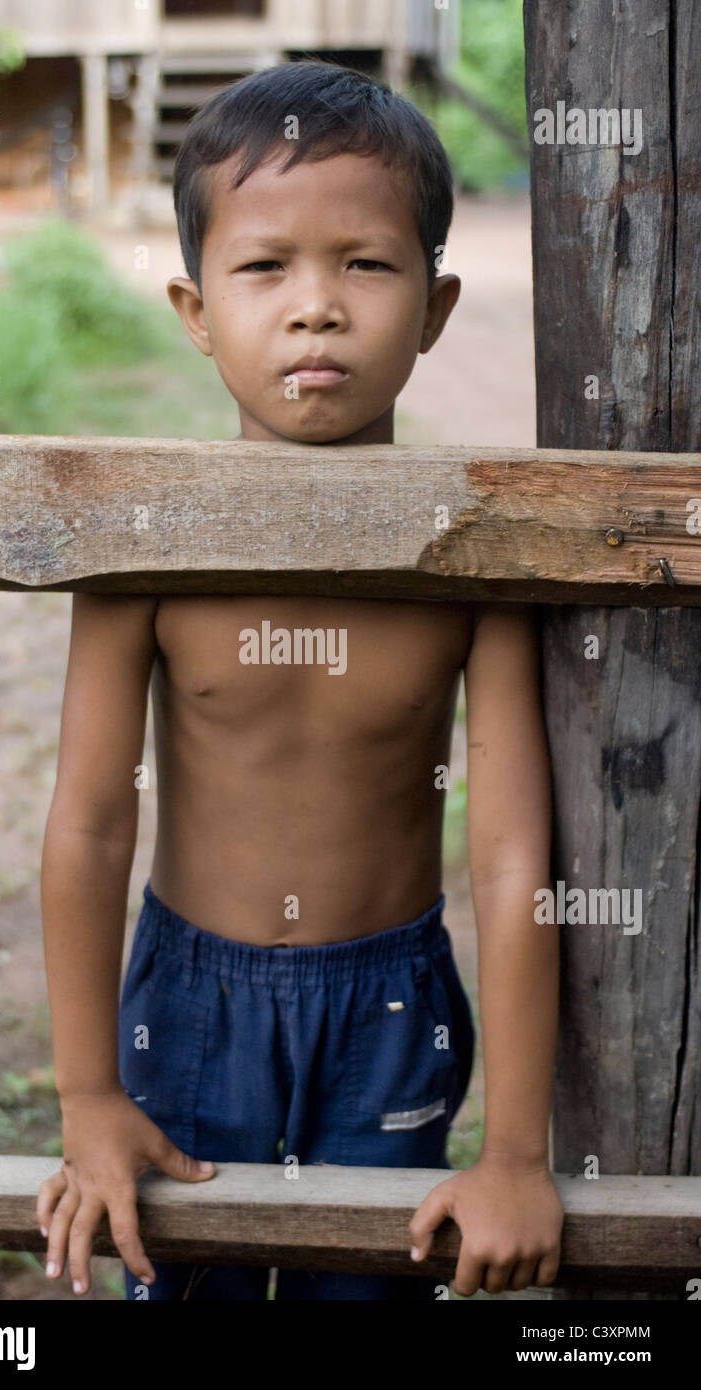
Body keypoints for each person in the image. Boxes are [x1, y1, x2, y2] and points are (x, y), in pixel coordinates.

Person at [36, 58, 563, 1300]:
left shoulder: (472, 550)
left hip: (392, 1001)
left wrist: (521, 1154)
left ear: (433, 308)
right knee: (182, 1274)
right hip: (189, 995)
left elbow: (507, 858)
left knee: (369, 1282)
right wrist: (87, 1093)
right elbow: (89, 821)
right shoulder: (145, 542)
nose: (316, 307)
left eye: (364, 266)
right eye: (265, 267)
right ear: (194, 307)